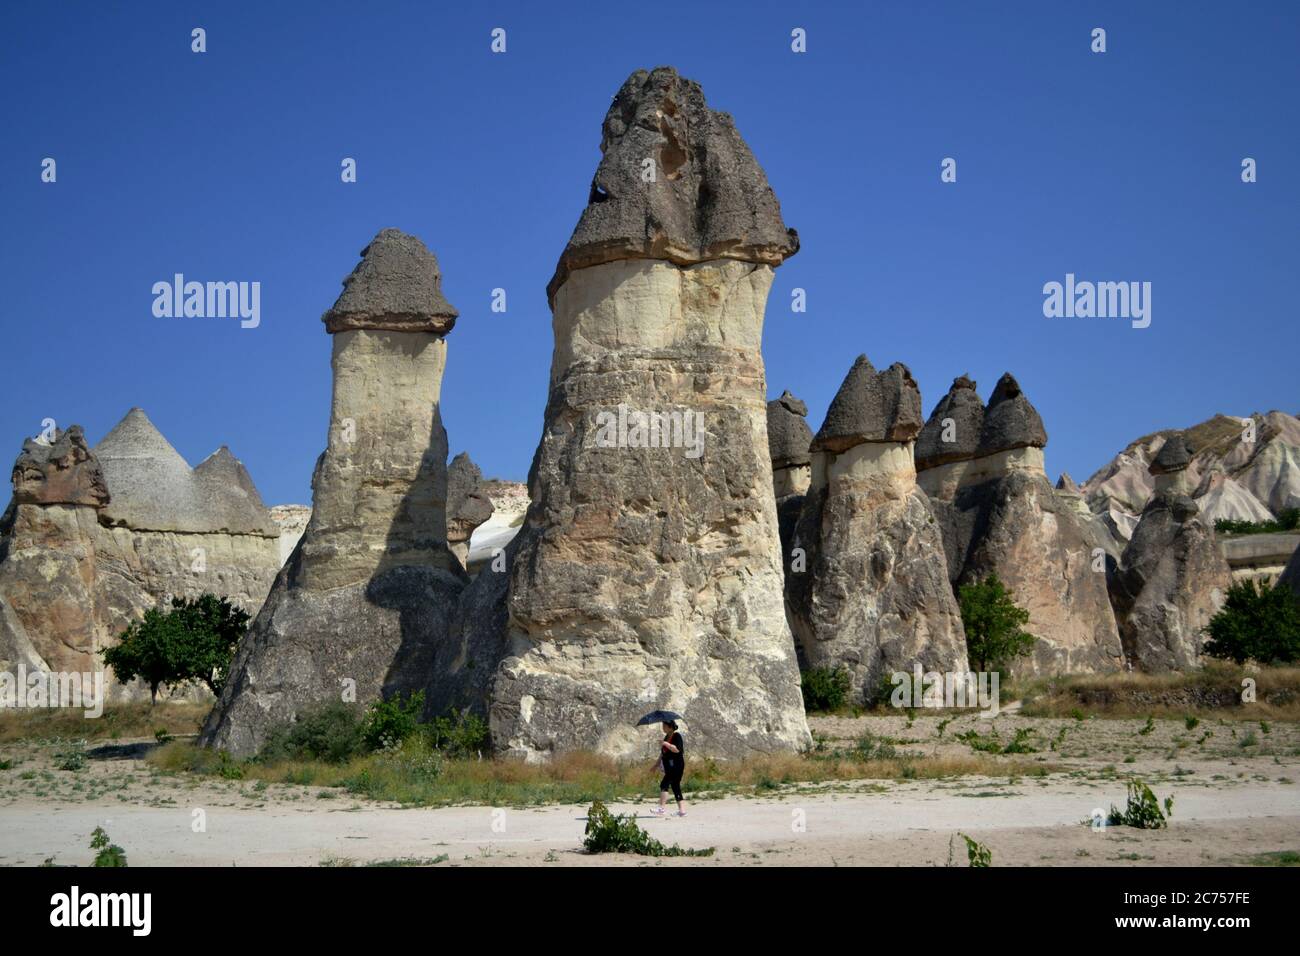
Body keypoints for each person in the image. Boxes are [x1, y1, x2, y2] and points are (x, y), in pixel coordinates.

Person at [652, 720, 686, 817]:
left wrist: (665, 744)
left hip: (676, 765)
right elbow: (663, 754)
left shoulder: (677, 736)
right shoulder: (666, 737)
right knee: (675, 786)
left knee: (664, 784)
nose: (663, 727)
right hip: (669, 765)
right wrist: (656, 765)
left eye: (664, 725)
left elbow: (677, 750)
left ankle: (661, 808)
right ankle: (682, 811)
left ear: (670, 727)